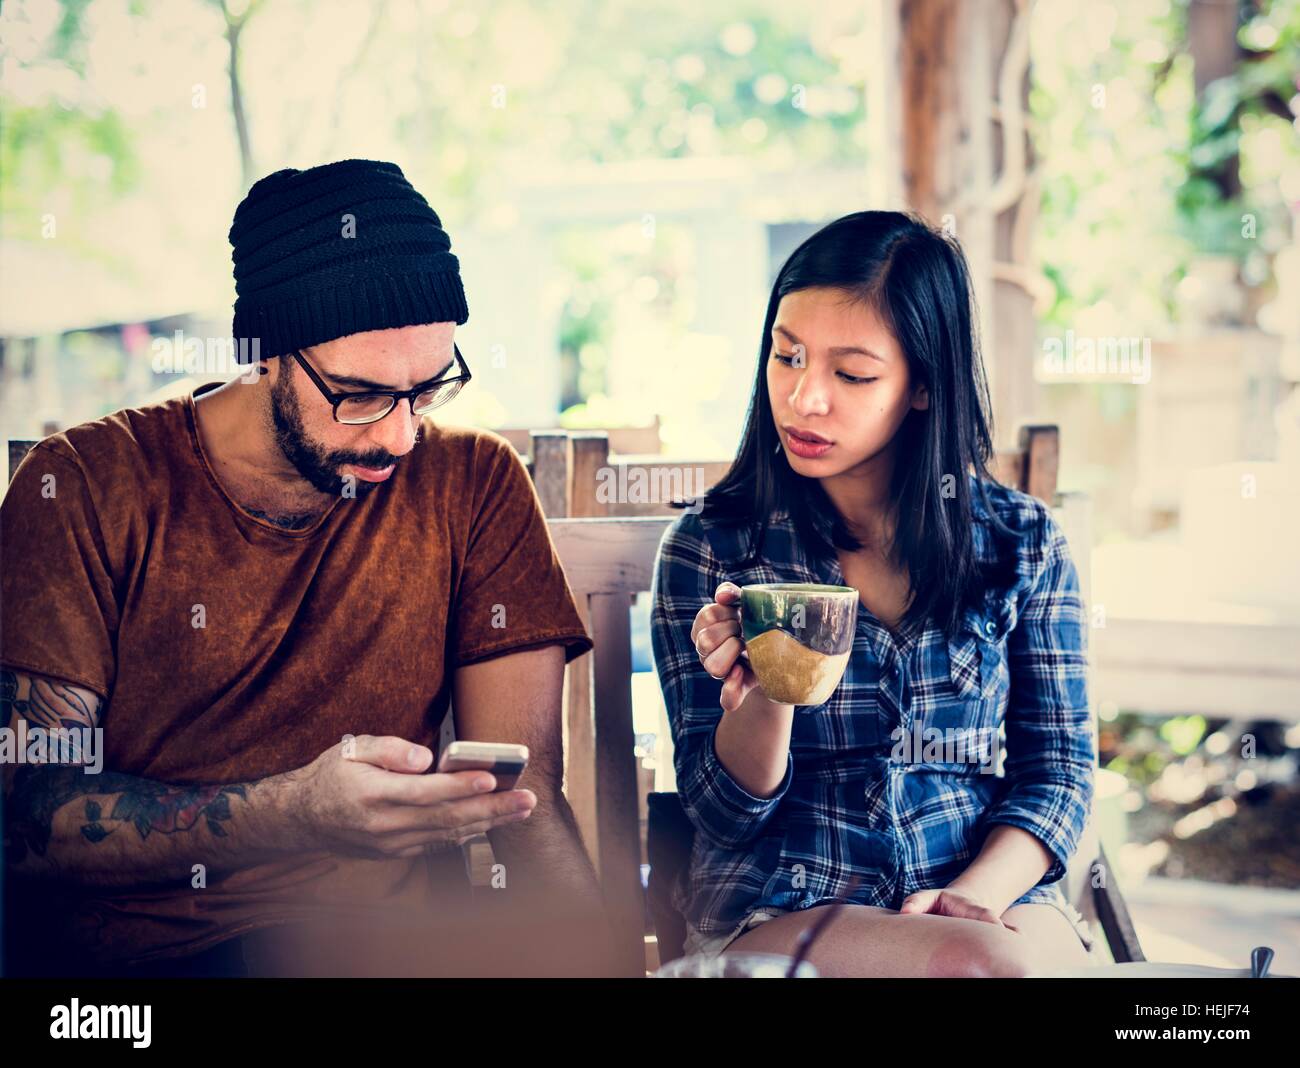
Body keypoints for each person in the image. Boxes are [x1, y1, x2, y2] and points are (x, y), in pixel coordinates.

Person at [1, 159, 609, 977]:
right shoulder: (84, 483)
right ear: (262, 354)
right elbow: (25, 825)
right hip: (139, 964)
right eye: (359, 396)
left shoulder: (475, 483)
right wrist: (295, 814)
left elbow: (523, 796)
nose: (400, 437)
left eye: (428, 391)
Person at [649, 211, 1096, 978]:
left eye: (850, 373)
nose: (804, 398)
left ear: (924, 386)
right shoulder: (715, 549)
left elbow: (1057, 769)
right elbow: (723, 814)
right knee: (983, 970)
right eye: (786, 357)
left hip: (991, 898)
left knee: (1017, 968)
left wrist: (973, 898)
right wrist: (768, 695)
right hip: (786, 906)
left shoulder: (1021, 542)